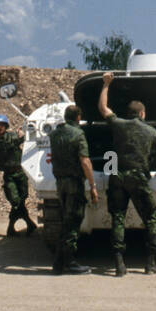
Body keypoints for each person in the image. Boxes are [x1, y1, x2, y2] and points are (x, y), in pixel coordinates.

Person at [97, 71, 156, 276]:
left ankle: (119, 265)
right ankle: (150, 263)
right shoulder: (151, 132)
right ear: (142, 114)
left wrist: (106, 84)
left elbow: (103, 108)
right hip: (138, 178)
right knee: (150, 218)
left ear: (128, 113)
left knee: (118, 217)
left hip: (117, 175)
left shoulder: (119, 124)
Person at [49, 104, 97, 274]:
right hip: (74, 183)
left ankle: (58, 262)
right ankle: (69, 261)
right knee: (73, 221)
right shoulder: (78, 134)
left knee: (65, 221)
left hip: (60, 182)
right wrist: (92, 185)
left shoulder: (54, 134)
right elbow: (85, 161)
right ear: (78, 117)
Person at [0, 113, 37, 236]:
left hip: (20, 173)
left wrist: (24, 132)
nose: (0, 127)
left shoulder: (13, 137)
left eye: (2, 125)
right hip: (9, 175)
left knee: (21, 200)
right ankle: (29, 224)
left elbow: (27, 138)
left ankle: (13, 228)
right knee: (15, 201)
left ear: (6, 126)